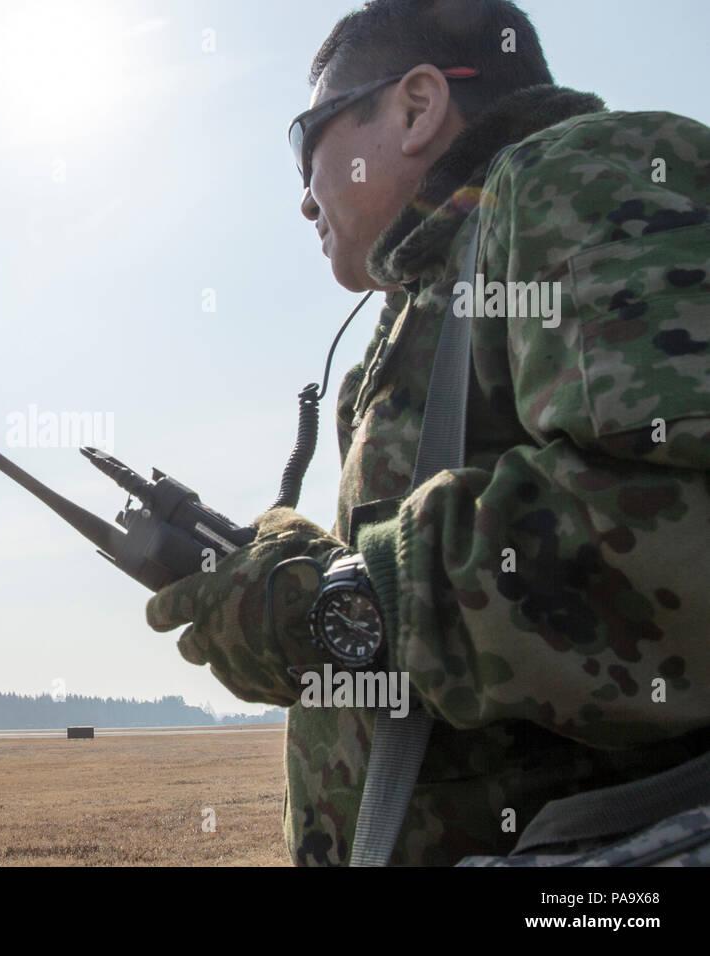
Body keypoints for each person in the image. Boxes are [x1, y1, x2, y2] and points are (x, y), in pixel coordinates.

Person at [146, 0, 710, 865]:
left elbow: (679, 527)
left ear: (414, 107)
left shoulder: (581, 175)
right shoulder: (420, 311)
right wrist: (292, 595)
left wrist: (335, 603)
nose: (303, 200)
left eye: (307, 142)